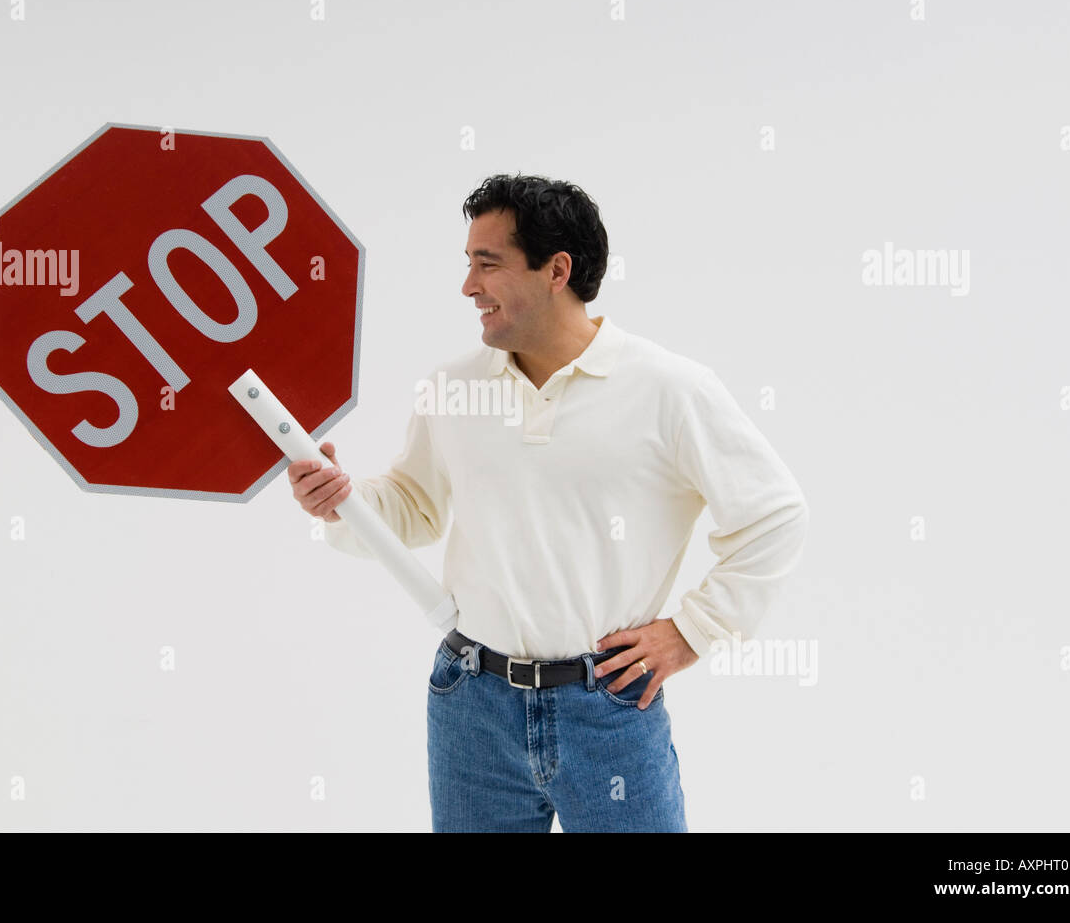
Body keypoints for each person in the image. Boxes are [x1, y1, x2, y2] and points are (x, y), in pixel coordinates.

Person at [288, 174, 809, 832]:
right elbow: (412, 505)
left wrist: (693, 631)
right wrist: (343, 503)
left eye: (488, 263)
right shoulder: (453, 387)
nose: (468, 286)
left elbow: (775, 513)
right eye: (468, 263)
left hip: (608, 707)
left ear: (556, 269)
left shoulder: (668, 389)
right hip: (471, 702)